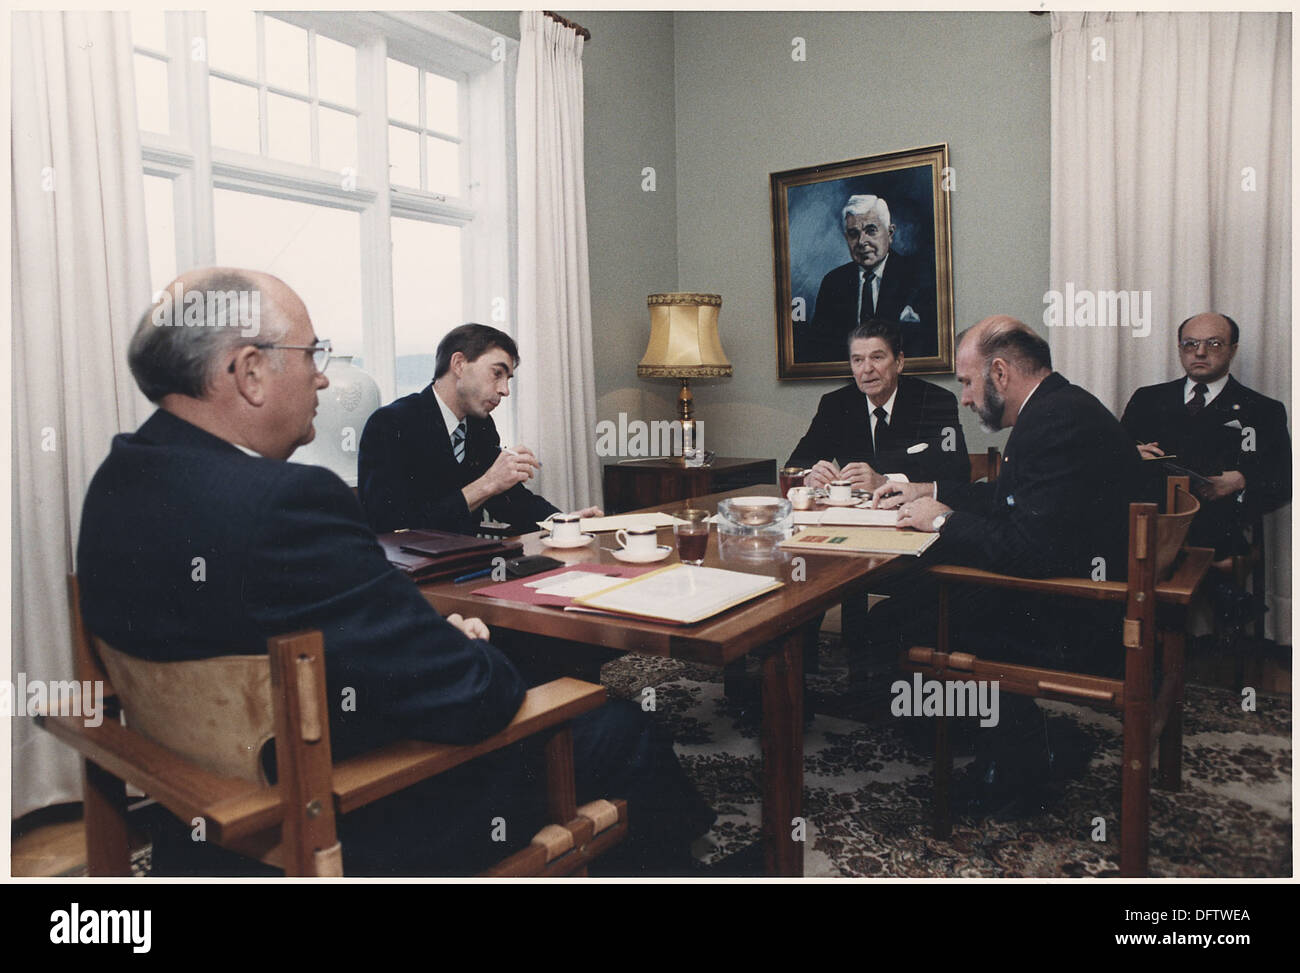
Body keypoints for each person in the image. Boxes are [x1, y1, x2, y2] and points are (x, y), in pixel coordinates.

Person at [76, 268, 712, 876]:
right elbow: (478, 697)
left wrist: (422, 648)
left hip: (207, 813)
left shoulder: (116, 481)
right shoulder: (290, 501)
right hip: (356, 813)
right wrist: (463, 650)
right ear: (249, 373)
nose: (322, 381)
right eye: (311, 355)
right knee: (620, 726)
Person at [868, 316, 1142, 817]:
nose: (967, 399)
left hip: (1083, 616)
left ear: (999, 373)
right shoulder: (1058, 407)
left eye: (968, 383)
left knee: (899, 619)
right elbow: (1011, 499)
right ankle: (1022, 740)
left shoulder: (1053, 422)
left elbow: (1027, 549)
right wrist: (930, 491)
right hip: (1090, 591)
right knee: (913, 601)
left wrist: (943, 521)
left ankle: (1010, 767)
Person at [358, 324, 602, 535]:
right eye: (497, 374)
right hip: (412, 575)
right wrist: (486, 484)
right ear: (459, 364)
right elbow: (391, 526)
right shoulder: (391, 424)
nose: (505, 390)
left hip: (463, 565)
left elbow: (510, 499)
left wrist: (561, 523)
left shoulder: (480, 425)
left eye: (508, 379)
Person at [1120, 312, 1291, 560]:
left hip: (1219, 537)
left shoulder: (1262, 409)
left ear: (1233, 350)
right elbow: (1112, 459)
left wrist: (1242, 480)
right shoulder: (1147, 399)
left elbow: (1284, 479)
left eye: (1214, 343)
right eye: (1190, 344)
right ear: (1180, 349)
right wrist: (1132, 455)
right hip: (1151, 530)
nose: (1200, 353)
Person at [787, 318, 969, 491]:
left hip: (913, 512)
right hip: (856, 516)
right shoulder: (835, 405)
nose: (867, 369)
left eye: (877, 357)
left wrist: (886, 482)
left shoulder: (936, 401)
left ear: (899, 362)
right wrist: (809, 477)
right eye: (858, 360)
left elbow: (957, 472)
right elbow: (795, 466)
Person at [799, 194, 938, 363]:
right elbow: (820, 350)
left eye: (871, 231)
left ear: (890, 233)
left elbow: (930, 345)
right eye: (853, 234)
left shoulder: (918, 275)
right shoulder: (833, 283)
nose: (861, 241)